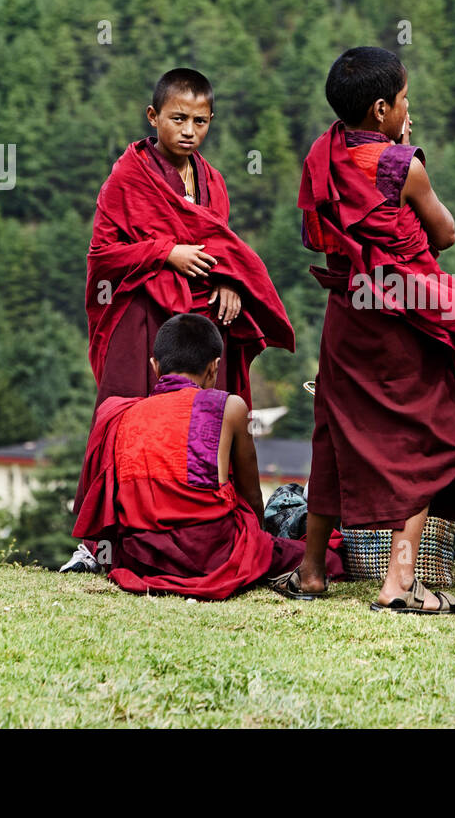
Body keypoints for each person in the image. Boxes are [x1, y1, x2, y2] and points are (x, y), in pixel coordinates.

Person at [276, 46, 455, 613]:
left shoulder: (324, 150)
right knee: (432, 431)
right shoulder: (399, 165)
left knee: (333, 429)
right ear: (383, 108)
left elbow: (319, 232)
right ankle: (399, 582)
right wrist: (405, 157)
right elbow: (445, 233)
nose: (410, 108)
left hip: (347, 312)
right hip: (403, 312)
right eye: (405, 99)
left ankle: (312, 570)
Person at [64, 68, 293, 573]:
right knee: (124, 412)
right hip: (142, 313)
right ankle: (99, 544)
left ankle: (208, 525)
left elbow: (223, 248)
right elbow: (103, 255)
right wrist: (165, 252)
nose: (189, 130)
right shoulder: (130, 176)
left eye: (201, 121)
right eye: (178, 119)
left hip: (201, 315)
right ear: (153, 117)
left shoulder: (213, 182)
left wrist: (231, 282)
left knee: (207, 418)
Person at [71, 313, 343, 599]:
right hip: (212, 555)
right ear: (214, 368)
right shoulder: (229, 406)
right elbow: (251, 498)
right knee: (330, 557)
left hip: (141, 557)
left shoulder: (117, 413)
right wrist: (258, 545)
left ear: (154, 366)